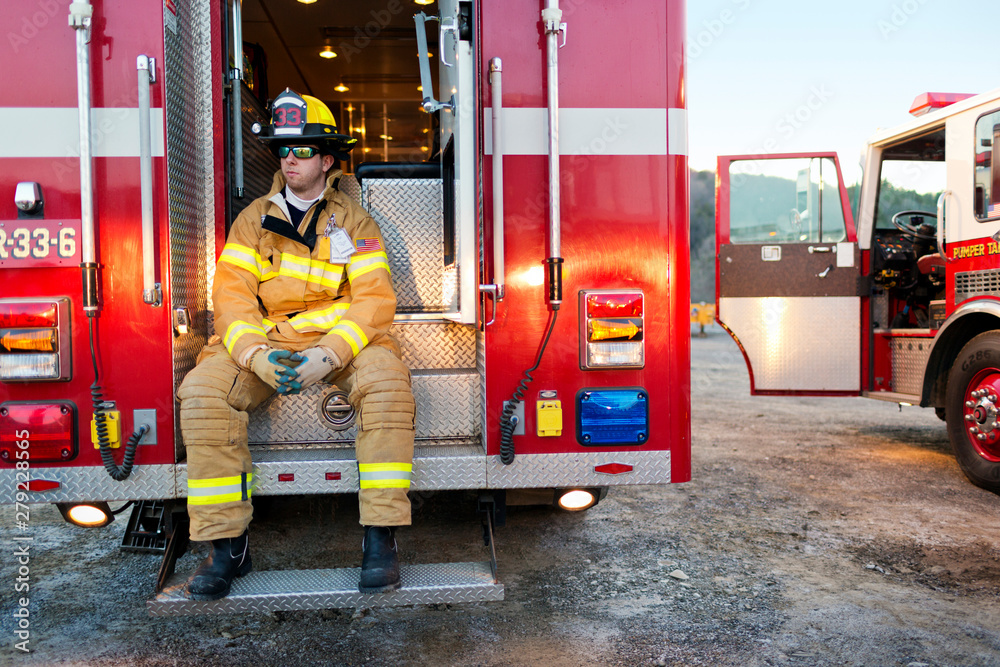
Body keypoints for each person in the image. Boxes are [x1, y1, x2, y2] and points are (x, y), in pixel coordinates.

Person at [177, 89, 415, 600]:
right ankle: (226, 547)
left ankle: (381, 538)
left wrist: (329, 355)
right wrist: (254, 357)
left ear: (327, 160)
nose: (290, 158)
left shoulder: (354, 221)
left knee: (387, 385)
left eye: (303, 150)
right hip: (263, 347)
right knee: (200, 394)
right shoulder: (249, 223)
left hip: (335, 346)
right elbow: (232, 301)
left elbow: (373, 300)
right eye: (284, 150)